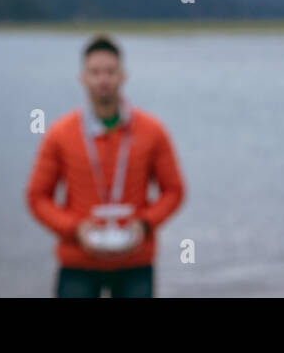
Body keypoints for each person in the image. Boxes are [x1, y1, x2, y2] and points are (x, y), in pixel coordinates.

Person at [26, 34, 185, 297]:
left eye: (110, 72)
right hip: (78, 260)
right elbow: (37, 196)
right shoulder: (60, 134)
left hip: (135, 260)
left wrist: (144, 224)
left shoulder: (152, 131)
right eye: (95, 72)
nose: (103, 80)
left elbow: (174, 191)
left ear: (123, 76)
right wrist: (74, 228)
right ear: (82, 78)